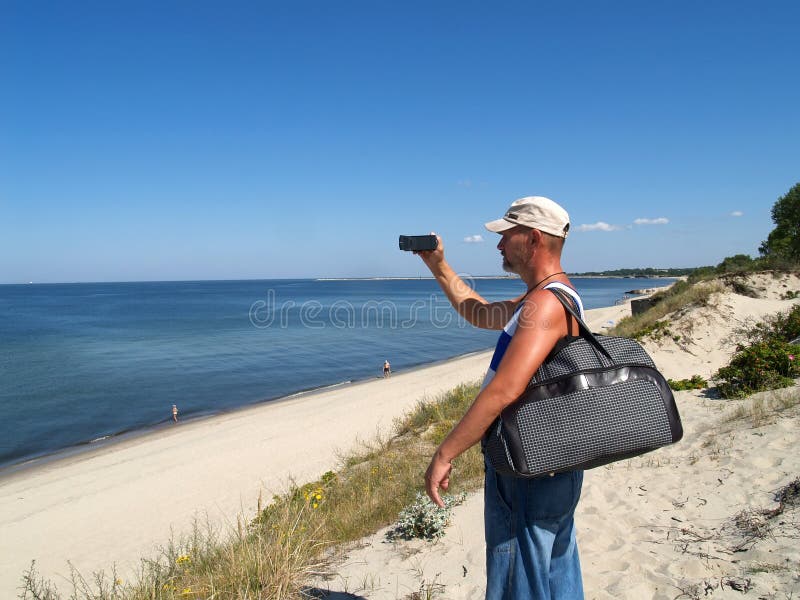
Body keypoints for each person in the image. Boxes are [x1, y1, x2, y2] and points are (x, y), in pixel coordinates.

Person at [413, 196, 585, 599]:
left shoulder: (545, 303)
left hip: (530, 469)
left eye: (508, 235)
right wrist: (438, 265)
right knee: (555, 572)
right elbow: (480, 313)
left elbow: (505, 388)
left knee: (517, 580)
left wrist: (445, 454)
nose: (499, 244)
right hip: (552, 461)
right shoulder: (548, 296)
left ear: (534, 239)